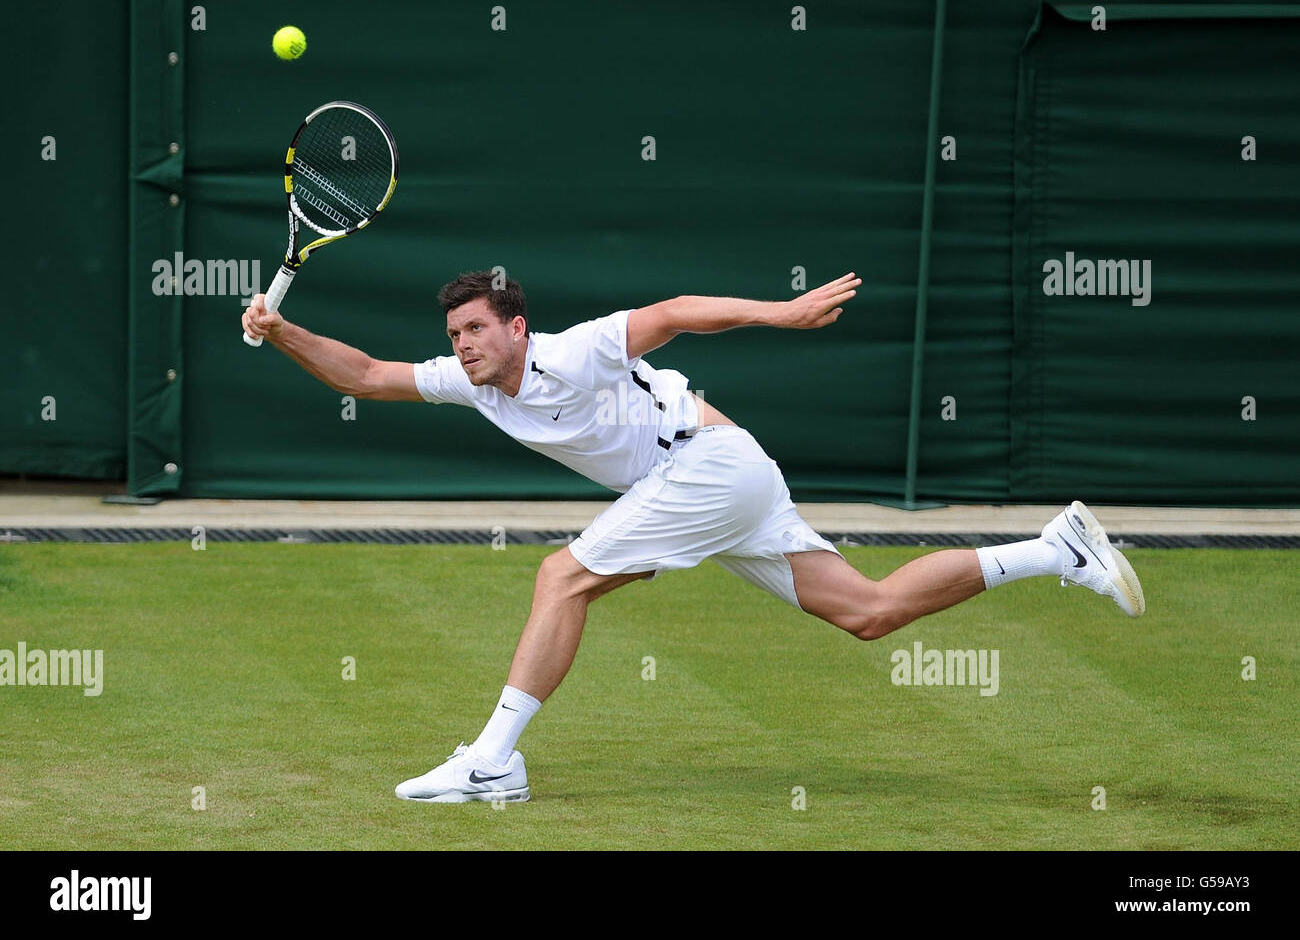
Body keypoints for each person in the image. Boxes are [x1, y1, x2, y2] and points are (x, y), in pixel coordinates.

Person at [241, 269, 1145, 804]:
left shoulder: (578, 347)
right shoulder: (473, 383)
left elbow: (671, 311)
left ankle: (491, 763)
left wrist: (778, 314)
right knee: (867, 611)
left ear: (517, 326)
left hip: (707, 464)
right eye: (455, 333)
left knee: (562, 575)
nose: (464, 343)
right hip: (721, 478)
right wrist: (279, 332)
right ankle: (1058, 548)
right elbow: (360, 372)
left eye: (477, 328)